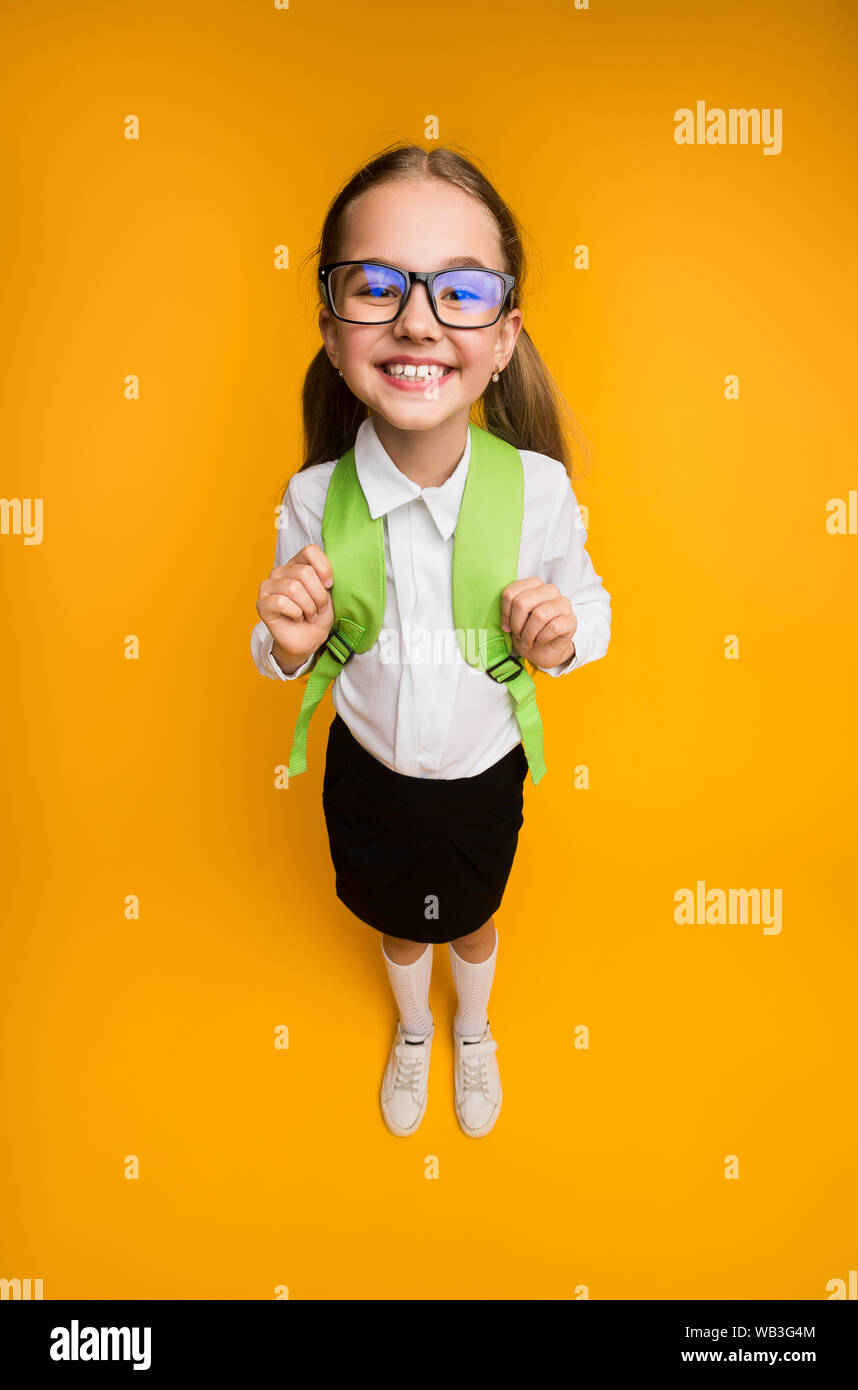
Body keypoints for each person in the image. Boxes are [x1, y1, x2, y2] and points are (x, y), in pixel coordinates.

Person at [250, 142, 612, 1141]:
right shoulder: (312, 500)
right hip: (366, 770)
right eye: (374, 285)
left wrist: (560, 633)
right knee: (396, 925)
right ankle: (415, 1033)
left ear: (502, 339)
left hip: (483, 770)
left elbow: (591, 609)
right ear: (331, 330)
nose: (414, 317)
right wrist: (284, 641)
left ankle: (473, 1030)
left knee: (469, 915)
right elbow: (273, 645)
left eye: (459, 290)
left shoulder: (538, 491)